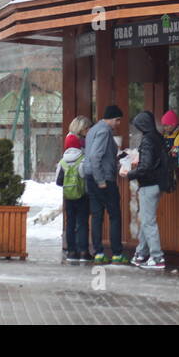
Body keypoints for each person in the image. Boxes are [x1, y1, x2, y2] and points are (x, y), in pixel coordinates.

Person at [82, 105, 127, 265]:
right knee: (114, 215)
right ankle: (116, 253)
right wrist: (101, 180)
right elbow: (95, 156)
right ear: (111, 118)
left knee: (97, 216)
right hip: (103, 179)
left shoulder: (92, 130)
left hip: (90, 177)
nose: (118, 123)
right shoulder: (105, 131)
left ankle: (99, 253)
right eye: (117, 120)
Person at [127, 110, 166, 269]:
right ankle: (141, 254)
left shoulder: (148, 140)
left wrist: (130, 174)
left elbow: (146, 166)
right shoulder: (158, 137)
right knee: (145, 219)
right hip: (158, 183)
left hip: (149, 184)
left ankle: (157, 258)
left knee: (148, 222)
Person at [56, 116, 91, 264]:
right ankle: (83, 251)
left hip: (68, 195)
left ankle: (71, 251)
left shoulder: (63, 161)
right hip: (81, 195)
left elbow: (58, 180)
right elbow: (85, 175)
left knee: (70, 222)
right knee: (82, 222)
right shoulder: (82, 159)